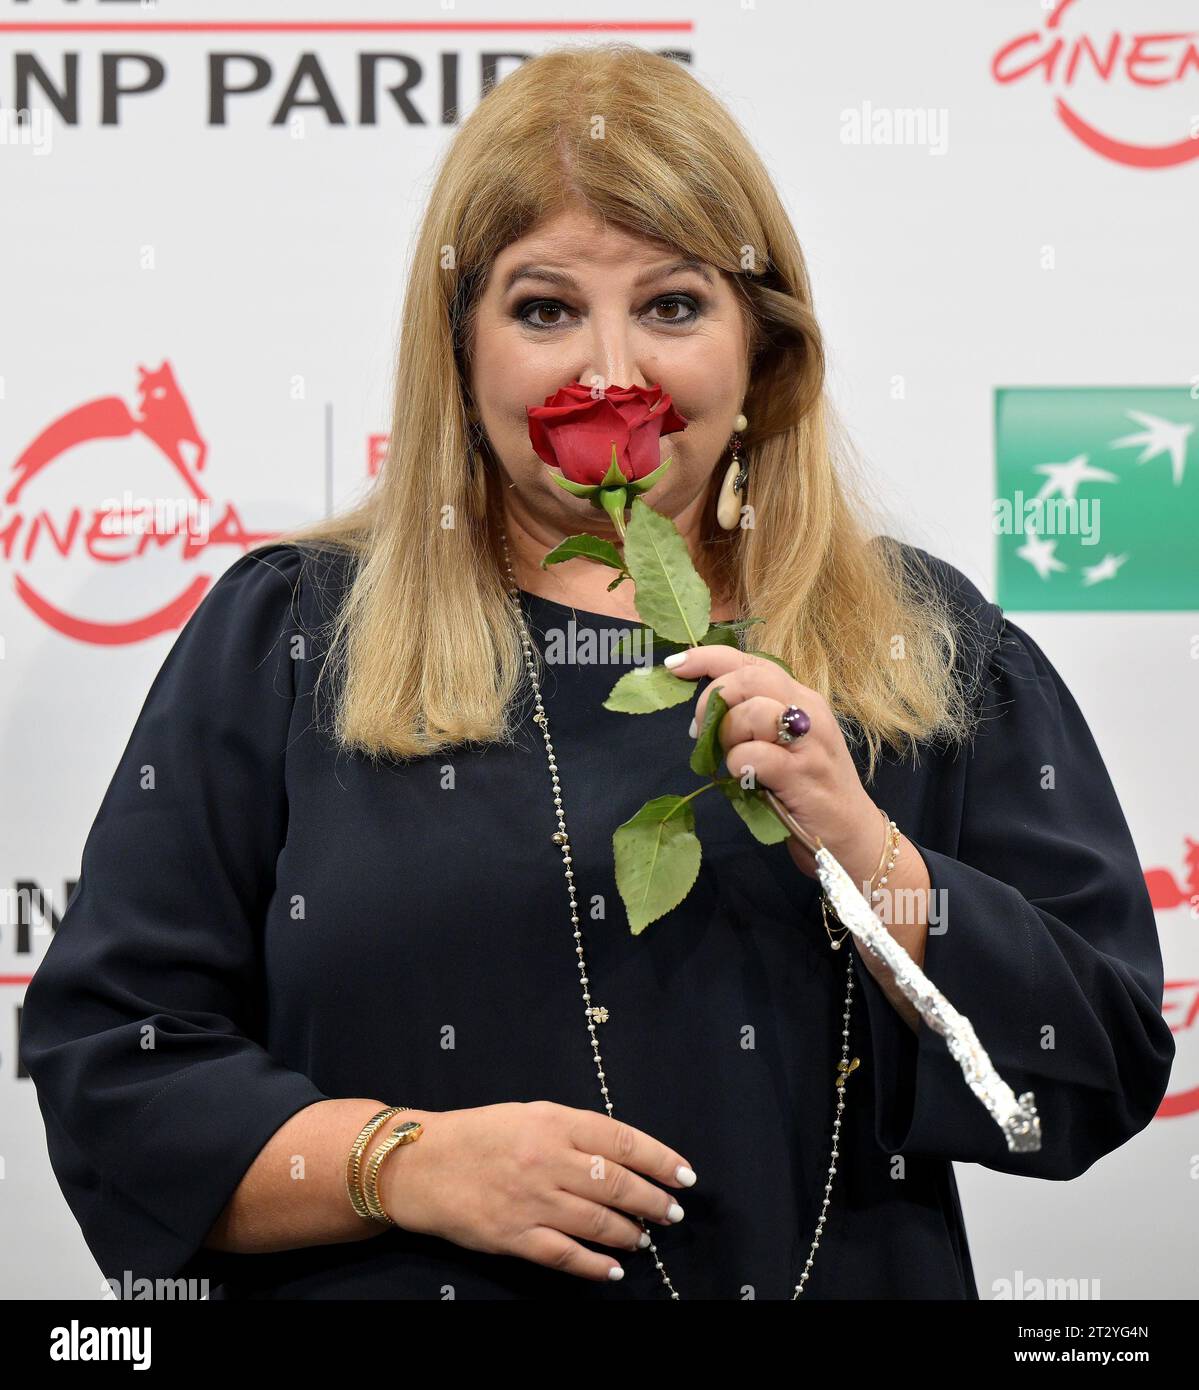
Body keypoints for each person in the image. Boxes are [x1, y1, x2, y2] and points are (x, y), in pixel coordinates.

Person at [20, 44, 1173, 1301]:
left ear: (761, 350)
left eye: (672, 305)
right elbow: (113, 1065)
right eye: (543, 307)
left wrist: (868, 850)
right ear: (459, 353)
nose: (610, 371)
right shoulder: (291, 640)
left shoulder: (921, 649)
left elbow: (1091, 1073)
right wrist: (399, 1162)